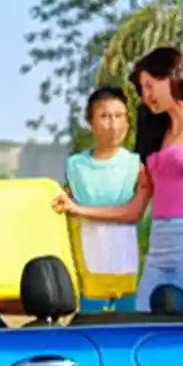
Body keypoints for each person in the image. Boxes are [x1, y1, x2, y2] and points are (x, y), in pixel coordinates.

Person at [53, 46, 183, 313]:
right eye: (142, 89)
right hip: (160, 245)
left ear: (171, 76)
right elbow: (134, 209)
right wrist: (76, 207)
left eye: (150, 86)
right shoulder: (155, 133)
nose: (146, 96)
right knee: (145, 320)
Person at [63, 86, 142, 313]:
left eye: (119, 116)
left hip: (125, 266)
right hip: (89, 267)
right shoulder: (75, 166)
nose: (113, 124)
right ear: (90, 121)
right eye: (105, 116)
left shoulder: (135, 165)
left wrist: (80, 210)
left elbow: (133, 213)